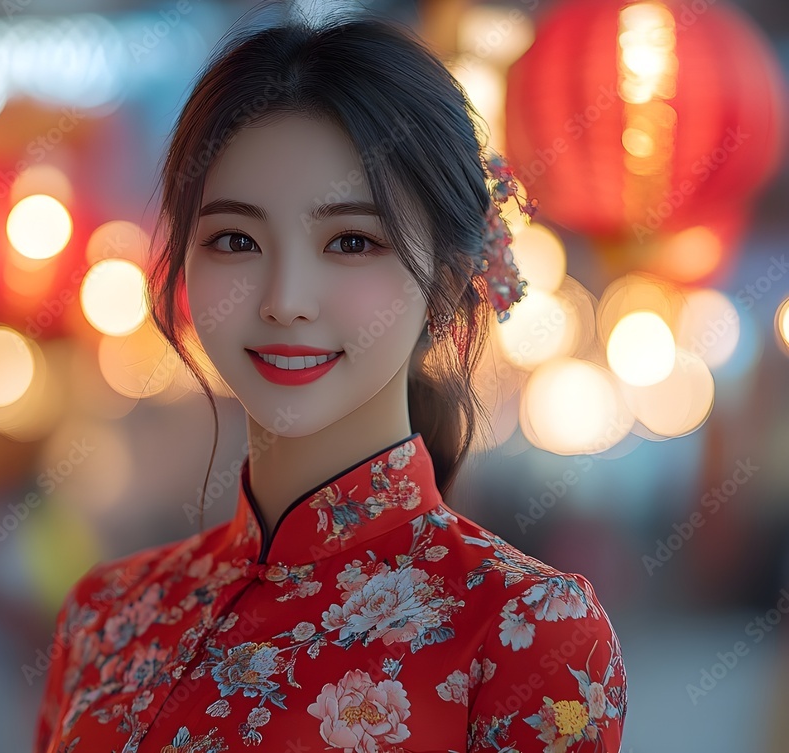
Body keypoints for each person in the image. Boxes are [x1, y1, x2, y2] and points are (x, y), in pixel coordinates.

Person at [34, 9, 627, 753]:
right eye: (235, 239)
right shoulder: (109, 614)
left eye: (352, 240)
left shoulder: (527, 630)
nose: (285, 297)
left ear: (445, 285)